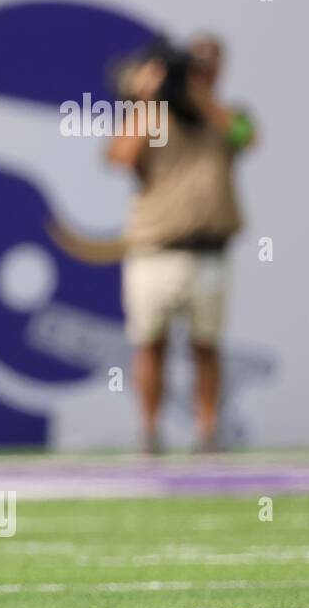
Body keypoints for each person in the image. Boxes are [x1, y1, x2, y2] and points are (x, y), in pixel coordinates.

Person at [107, 34, 256, 455]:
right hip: (155, 248)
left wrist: (203, 100)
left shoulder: (228, 116)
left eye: (210, 65)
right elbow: (120, 157)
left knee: (206, 346)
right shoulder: (153, 116)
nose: (202, 72)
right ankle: (149, 432)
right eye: (196, 65)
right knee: (150, 343)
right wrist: (147, 100)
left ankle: (208, 432)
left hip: (209, 251)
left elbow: (245, 136)